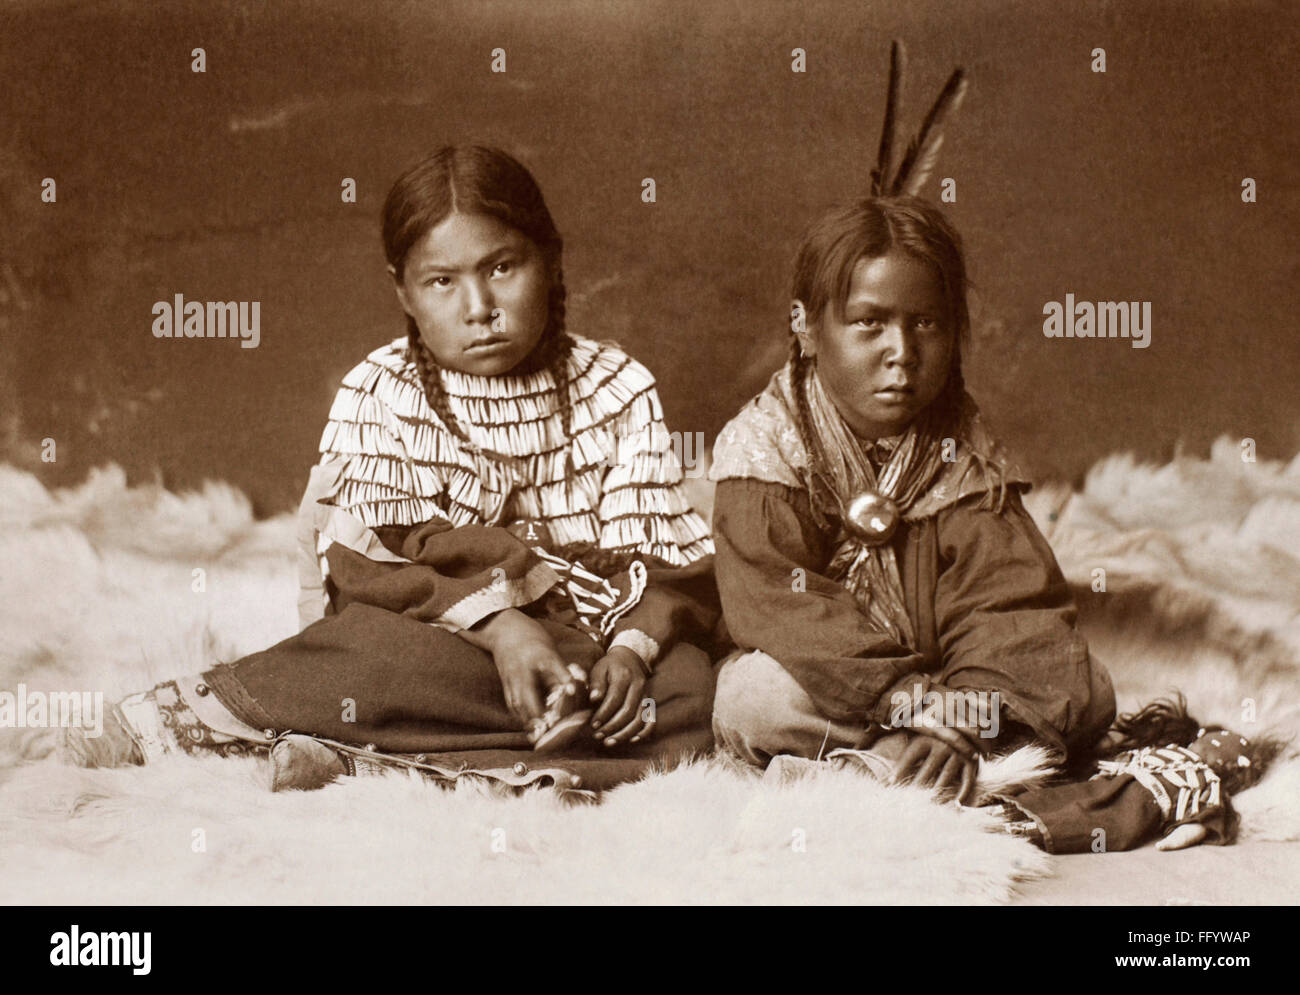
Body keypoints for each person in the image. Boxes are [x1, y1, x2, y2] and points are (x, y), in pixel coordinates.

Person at [67, 145, 717, 792]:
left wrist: (629, 653)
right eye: (443, 281)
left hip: (590, 637)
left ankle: (358, 758)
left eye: (503, 267)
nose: (478, 306)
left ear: (550, 261)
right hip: (442, 636)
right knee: (380, 659)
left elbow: (664, 562)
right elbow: (365, 568)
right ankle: (193, 715)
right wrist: (505, 626)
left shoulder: (618, 386)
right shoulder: (380, 389)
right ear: (402, 291)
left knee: (689, 694)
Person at [707, 56, 1117, 800]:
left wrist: (961, 707)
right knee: (752, 696)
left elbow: (1006, 600)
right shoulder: (764, 448)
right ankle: (914, 756)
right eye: (869, 324)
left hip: (954, 681)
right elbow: (781, 607)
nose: (902, 353)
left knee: (1082, 683)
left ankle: (919, 758)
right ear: (805, 326)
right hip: (839, 681)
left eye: (925, 322)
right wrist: (911, 701)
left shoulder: (959, 452)